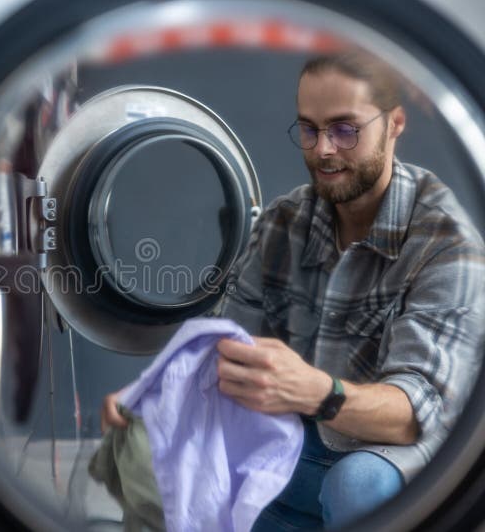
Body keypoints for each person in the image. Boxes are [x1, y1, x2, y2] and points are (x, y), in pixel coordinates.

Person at [100, 51, 485, 530]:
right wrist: (149, 393)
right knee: (150, 440)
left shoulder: (448, 245)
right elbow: (225, 339)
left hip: (392, 456)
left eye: (345, 129)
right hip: (295, 440)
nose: (323, 149)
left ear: (394, 125)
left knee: (356, 484)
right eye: (309, 129)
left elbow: (413, 413)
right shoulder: (286, 221)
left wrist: (315, 392)